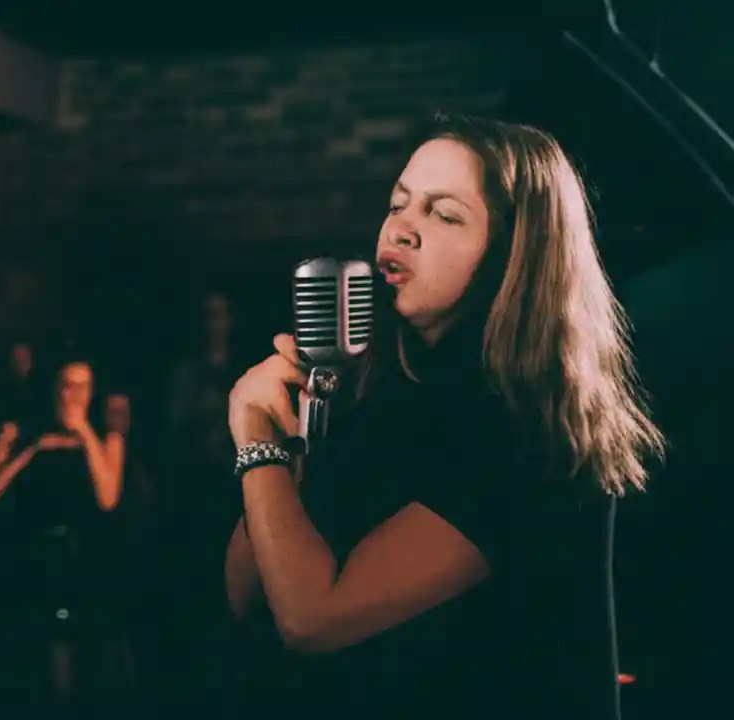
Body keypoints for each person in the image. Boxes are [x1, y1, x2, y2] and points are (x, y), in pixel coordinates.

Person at [224, 115, 665, 719]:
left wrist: (252, 436)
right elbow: (248, 594)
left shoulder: (519, 425)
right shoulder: (376, 390)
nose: (402, 229)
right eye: (398, 204)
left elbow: (311, 617)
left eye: (443, 214)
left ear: (514, 254)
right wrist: (291, 436)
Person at [0, 354, 125, 704]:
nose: (73, 394)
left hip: (87, 564)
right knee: (48, 662)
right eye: (67, 384)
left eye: (83, 386)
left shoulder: (106, 438)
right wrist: (30, 449)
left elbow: (108, 497)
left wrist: (84, 433)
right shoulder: (20, 432)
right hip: (37, 563)